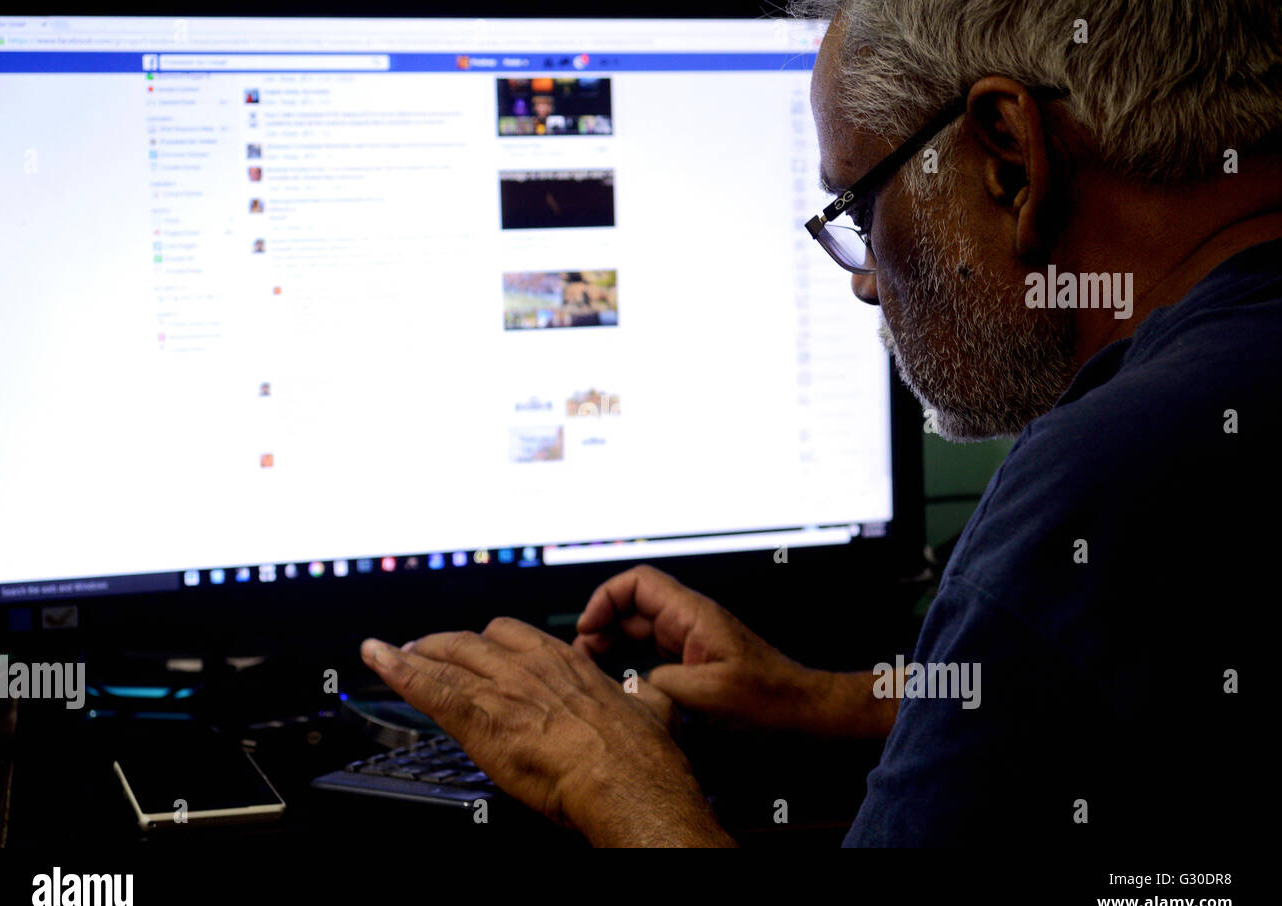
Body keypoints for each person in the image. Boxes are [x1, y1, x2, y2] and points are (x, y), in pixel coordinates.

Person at [361, 0, 1280, 847]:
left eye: (859, 209)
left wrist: (618, 779)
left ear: (1009, 158)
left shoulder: (1102, 477)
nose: (866, 278)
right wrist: (817, 701)